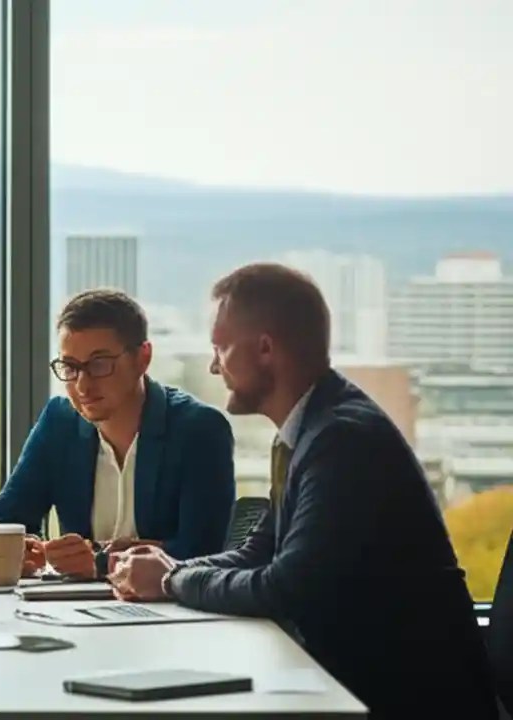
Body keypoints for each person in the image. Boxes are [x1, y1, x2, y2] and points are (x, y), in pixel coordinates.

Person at [108, 263, 497, 718]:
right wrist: (172, 569)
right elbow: (259, 552)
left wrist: (171, 581)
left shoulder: (343, 439)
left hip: (410, 701)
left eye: (220, 347)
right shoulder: (307, 431)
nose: (214, 366)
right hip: (358, 682)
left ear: (265, 349)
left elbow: (286, 588)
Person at [0, 289, 235, 577]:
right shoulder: (60, 422)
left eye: (99, 364)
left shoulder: (199, 430)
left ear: (143, 358)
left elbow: (204, 553)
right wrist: (26, 550)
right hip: (73, 602)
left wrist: (101, 562)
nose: (83, 386)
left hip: (170, 603)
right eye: (70, 367)